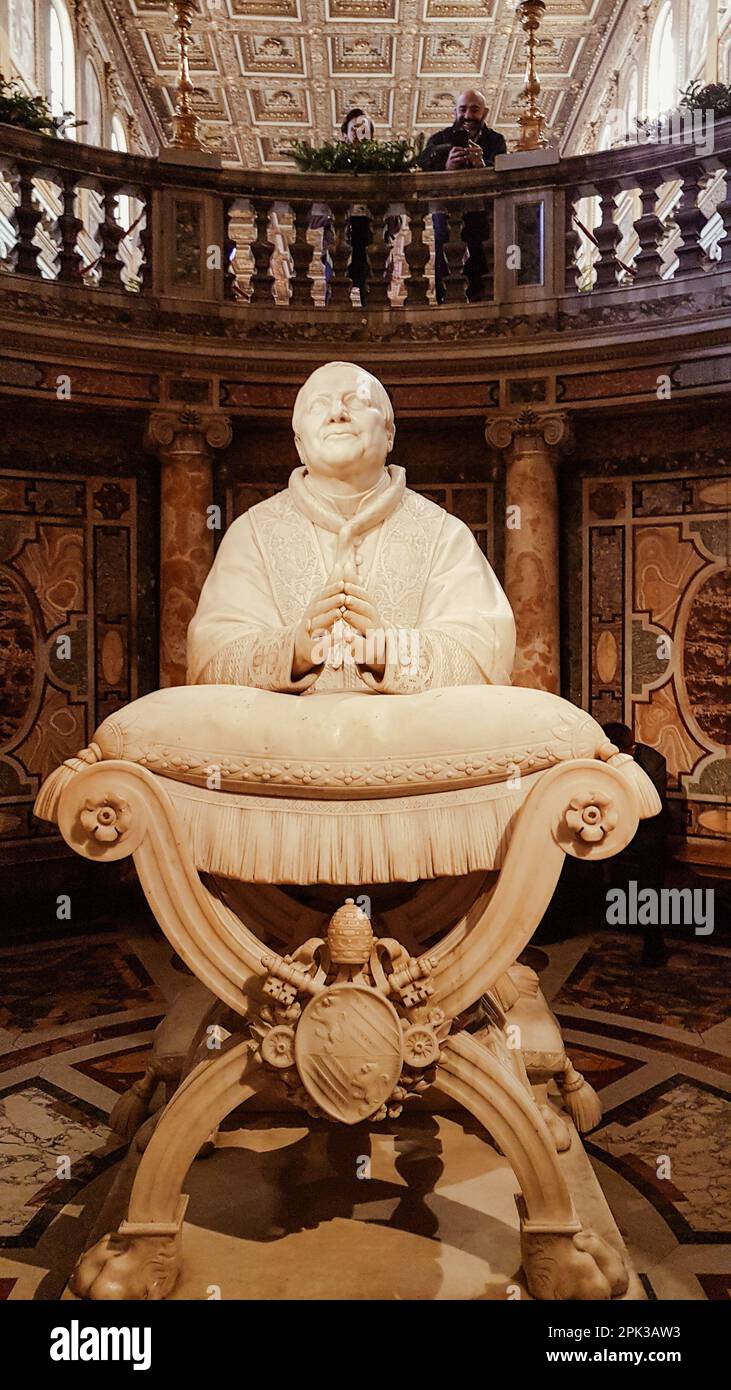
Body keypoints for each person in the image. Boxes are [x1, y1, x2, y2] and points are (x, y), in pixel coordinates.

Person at [187, 361, 515, 695]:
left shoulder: (444, 535)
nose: (337, 414)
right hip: (283, 740)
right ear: (299, 444)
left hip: (405, 736)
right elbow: (209, 656)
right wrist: (293, 653)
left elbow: (487, 653)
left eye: (355, 401)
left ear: (389, 434)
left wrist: (388, 652)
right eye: (319, 405)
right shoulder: (251, 534)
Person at [418, 90, 506, 304]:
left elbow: (504, 176)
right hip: (447, 219)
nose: (467, 115)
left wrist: (482, 165)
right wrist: (447, 167)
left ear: (485, 113)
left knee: (481, 266)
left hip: (481, 220)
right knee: (446, 266)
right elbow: (424, 171)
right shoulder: (439, 140)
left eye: (474, 109)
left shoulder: (495, 141)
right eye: (462, 109)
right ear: (455, 111)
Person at [602, 721, 671, 966]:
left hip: (648, 834)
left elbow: (651, 807)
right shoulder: (606, 760)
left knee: (648, 885)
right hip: (618, 830)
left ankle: (654, 944)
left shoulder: (653, 762)